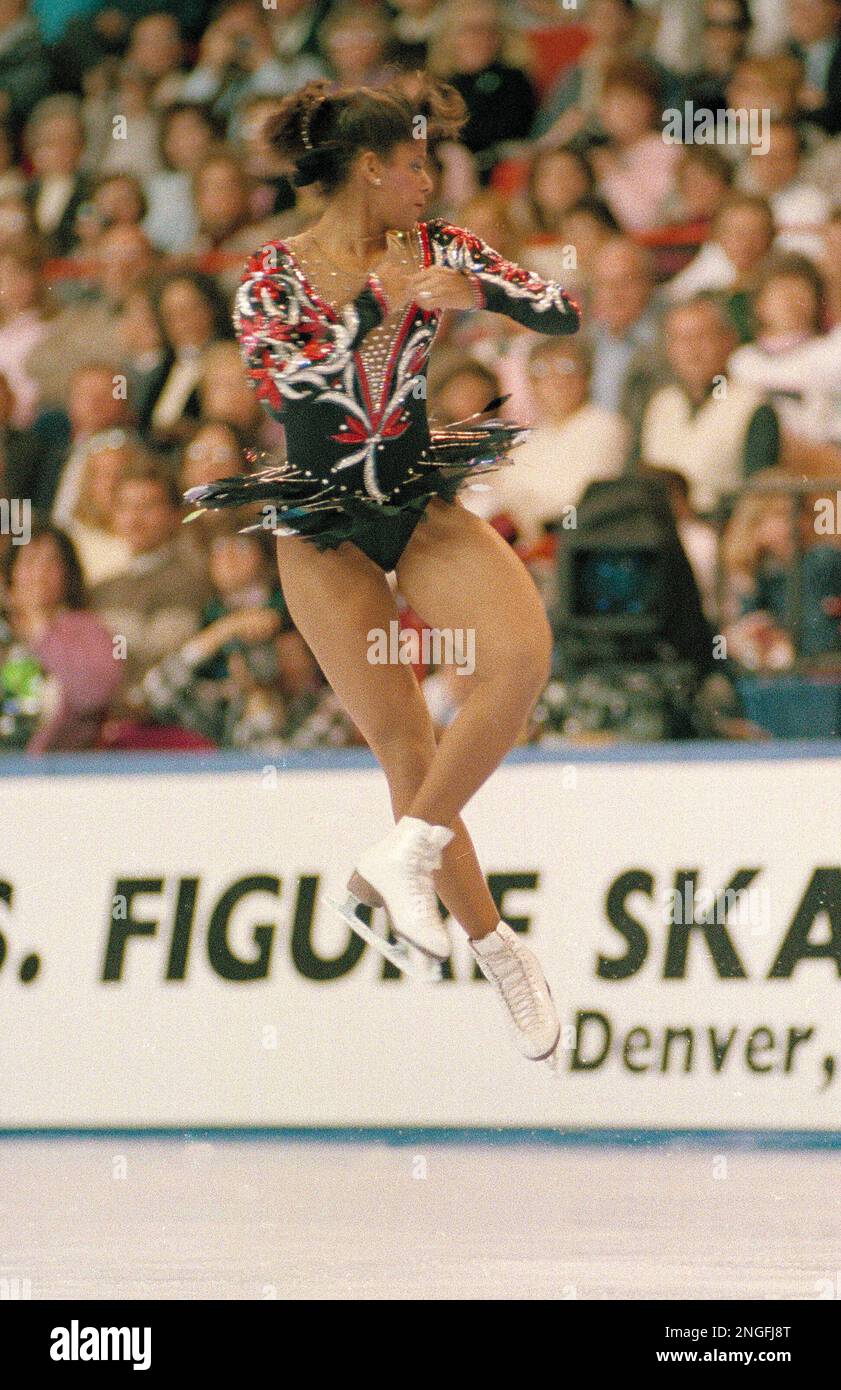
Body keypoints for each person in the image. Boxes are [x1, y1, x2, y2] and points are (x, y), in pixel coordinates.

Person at [186, 74, 583, 1062]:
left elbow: (560, 312)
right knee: (404, 743)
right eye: (417, 166)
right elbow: (291, 383)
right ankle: (495, 946)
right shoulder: (270, 275)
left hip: (415, 498)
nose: (429, 182)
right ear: (373, 167)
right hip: (322, 525)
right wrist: (378, 306)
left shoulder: (438, 245)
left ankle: (401, 853)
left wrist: (477, 286)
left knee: (519, 659)